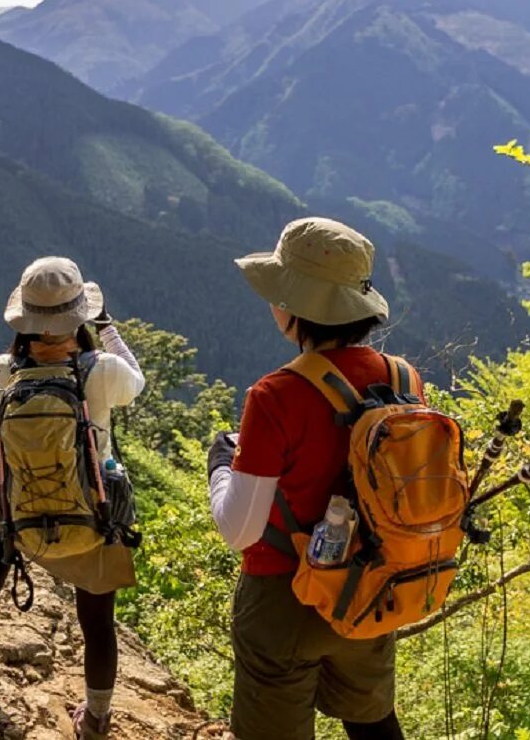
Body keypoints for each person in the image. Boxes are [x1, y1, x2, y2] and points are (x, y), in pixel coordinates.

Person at [208, 217, 410, 740]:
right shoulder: (403, 378)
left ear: (296, 305)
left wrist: (221, 466)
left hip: (286, 598)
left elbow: (240, 531)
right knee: (373, 725)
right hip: (370, 589)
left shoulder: (275, 396)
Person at [0, 256, 145, 740]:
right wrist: (107, 328)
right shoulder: (102, 370)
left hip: (24, 524)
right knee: (98, 625)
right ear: (80, 316)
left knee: (0, 542)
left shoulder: (2, 372)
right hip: (92, 524)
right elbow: (137, 381)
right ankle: (95, 720)